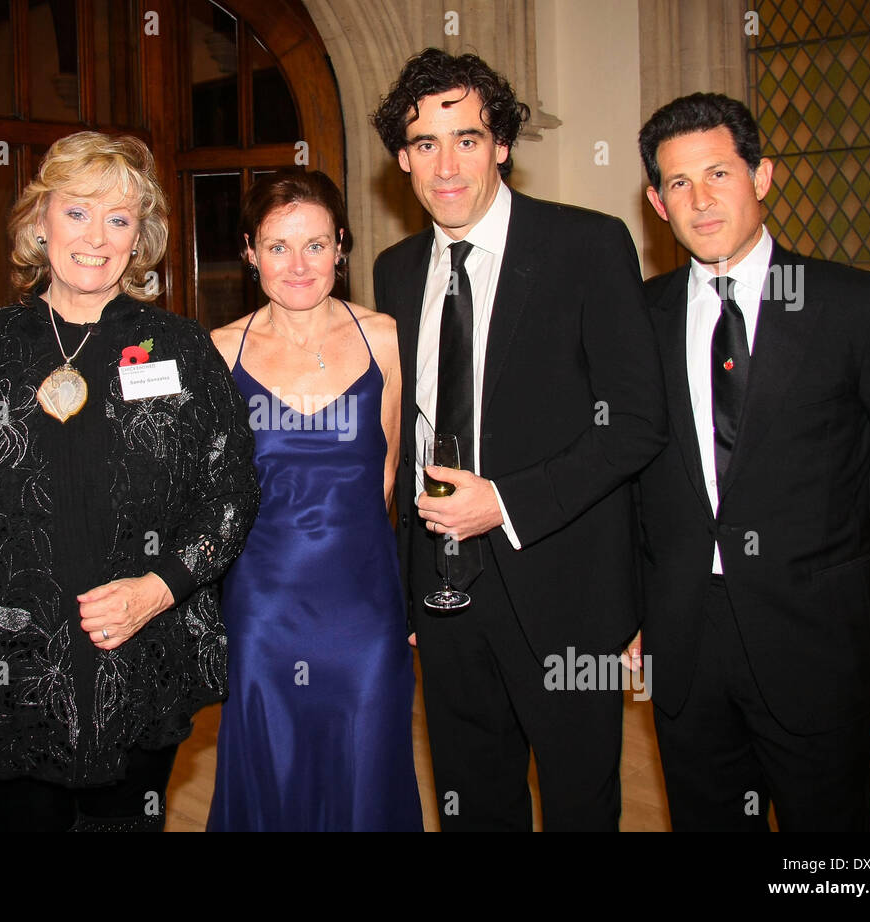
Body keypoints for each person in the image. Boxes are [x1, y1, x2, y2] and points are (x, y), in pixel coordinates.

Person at [635, 92, 870, 831]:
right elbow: (631, 469)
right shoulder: (639, 315)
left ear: (763, 176)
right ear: (656, 201)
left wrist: (832, 533)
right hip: (685, 633)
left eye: (718, 173)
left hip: (813, 627)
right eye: (678, 184)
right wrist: (629, 608)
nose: (700, 200)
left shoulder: (857, 306)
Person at [371, 48, 667, 831]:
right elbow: (405, 439)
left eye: (466, 138)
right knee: (473, 803)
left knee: (579, 806)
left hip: (565, 591)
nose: (446, 164)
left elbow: (638, 422)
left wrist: (502, 503)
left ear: (501, 143)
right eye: (425, 143)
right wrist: (405, 587)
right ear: (402, 157)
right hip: (443, 596)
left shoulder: (588, 247)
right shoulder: (395, 269)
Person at [0, 130, 259, 832]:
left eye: (119, 219)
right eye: (77, 212)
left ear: (140, 238)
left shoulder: (178, 347)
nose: (96, 237)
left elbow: (232, 492)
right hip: (16, 675)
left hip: (142, 663)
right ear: (40, 221)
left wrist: (158, 589)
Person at [206, 171, 421, 831]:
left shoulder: (383, 337)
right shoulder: (219, 350)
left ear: (341, 248)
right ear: (249, 252)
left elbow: (387, 475)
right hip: (262, 613)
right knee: (270, 770)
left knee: (365, 767)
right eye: (277, 247)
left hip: (364, 611)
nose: (297, 265)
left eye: (315, 245)